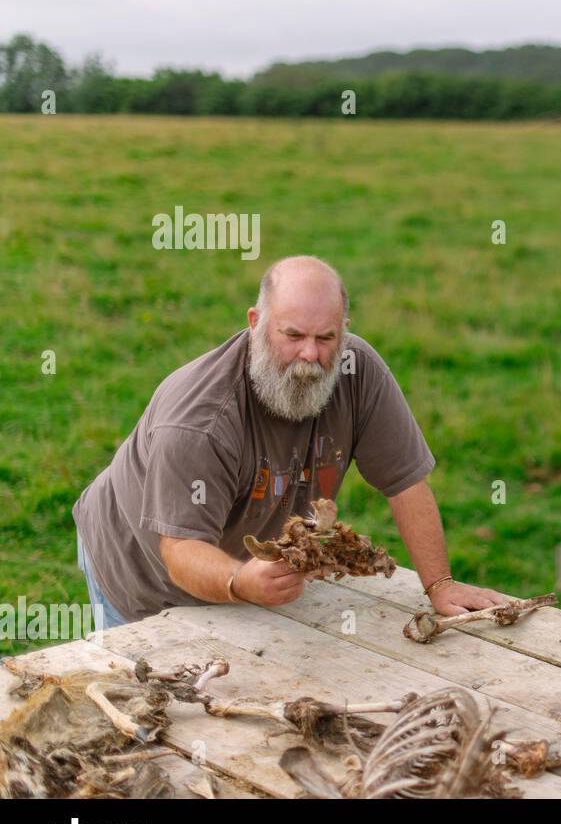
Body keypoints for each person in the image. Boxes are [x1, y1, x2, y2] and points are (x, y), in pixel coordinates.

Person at [71, 255, 505, 627]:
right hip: (143, 573)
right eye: (293, 335)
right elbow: (180, 549)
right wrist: (239, 583)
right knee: (151, 707)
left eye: (326, 338)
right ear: (256, 324)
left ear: (344, 331)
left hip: (247, 567)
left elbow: (405, 483)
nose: (311, 355)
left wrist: (439, 584)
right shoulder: (200, 419)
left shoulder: (358, 372)